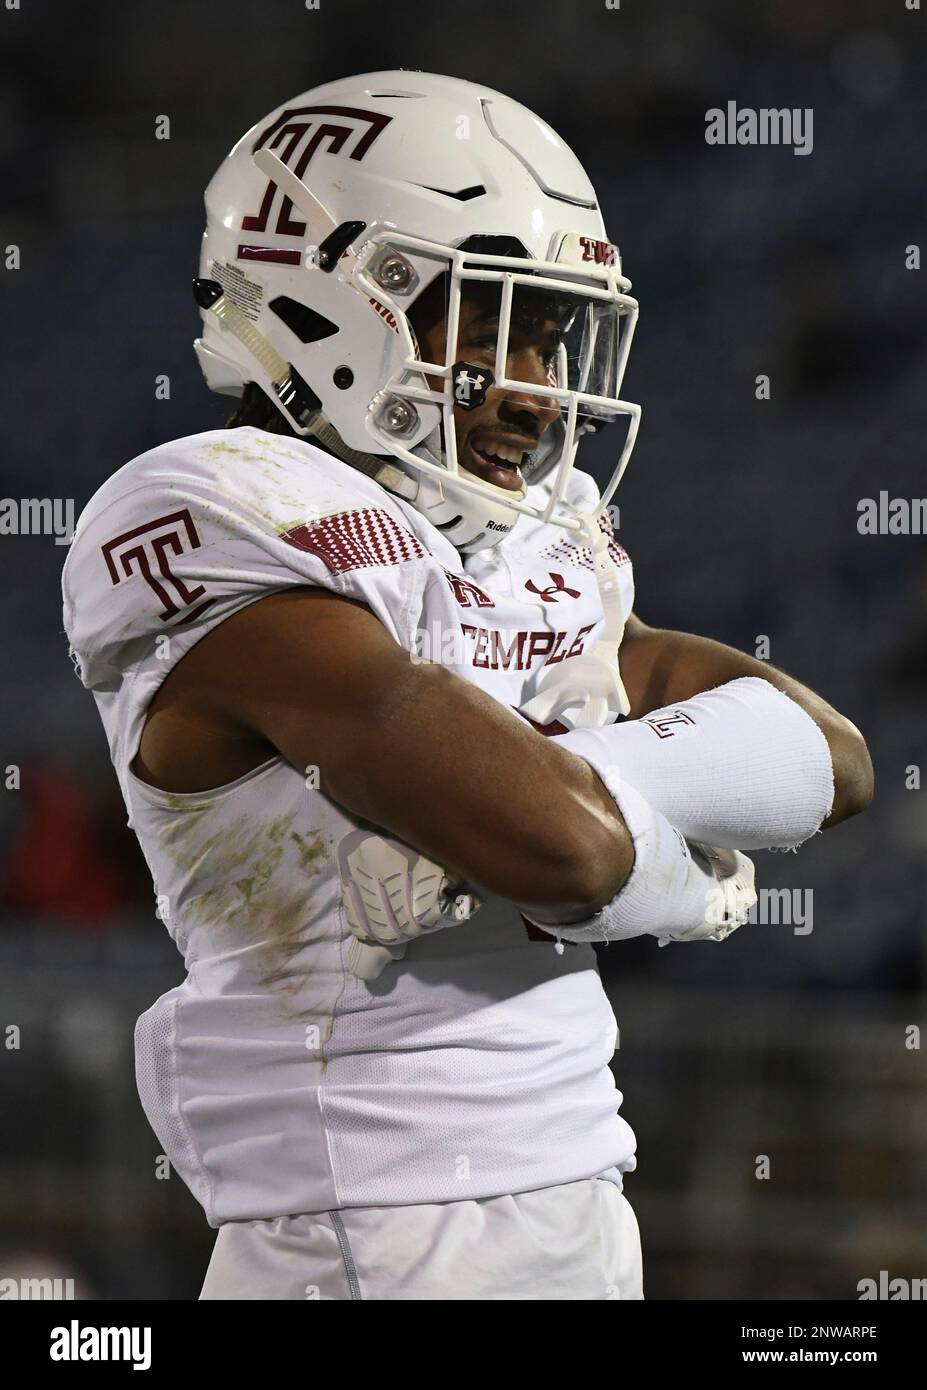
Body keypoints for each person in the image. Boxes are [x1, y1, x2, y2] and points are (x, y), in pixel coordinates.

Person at [61, 71, 873, 1300]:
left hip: (576, 1185)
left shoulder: (514, 544)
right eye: (494, 324)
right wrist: (673, 871)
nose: (541, 383)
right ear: (337, 299)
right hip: (371, 1226)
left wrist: (494, 825)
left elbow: (829, 755)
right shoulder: (221, 513)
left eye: (553, 331)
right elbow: (574, 855)